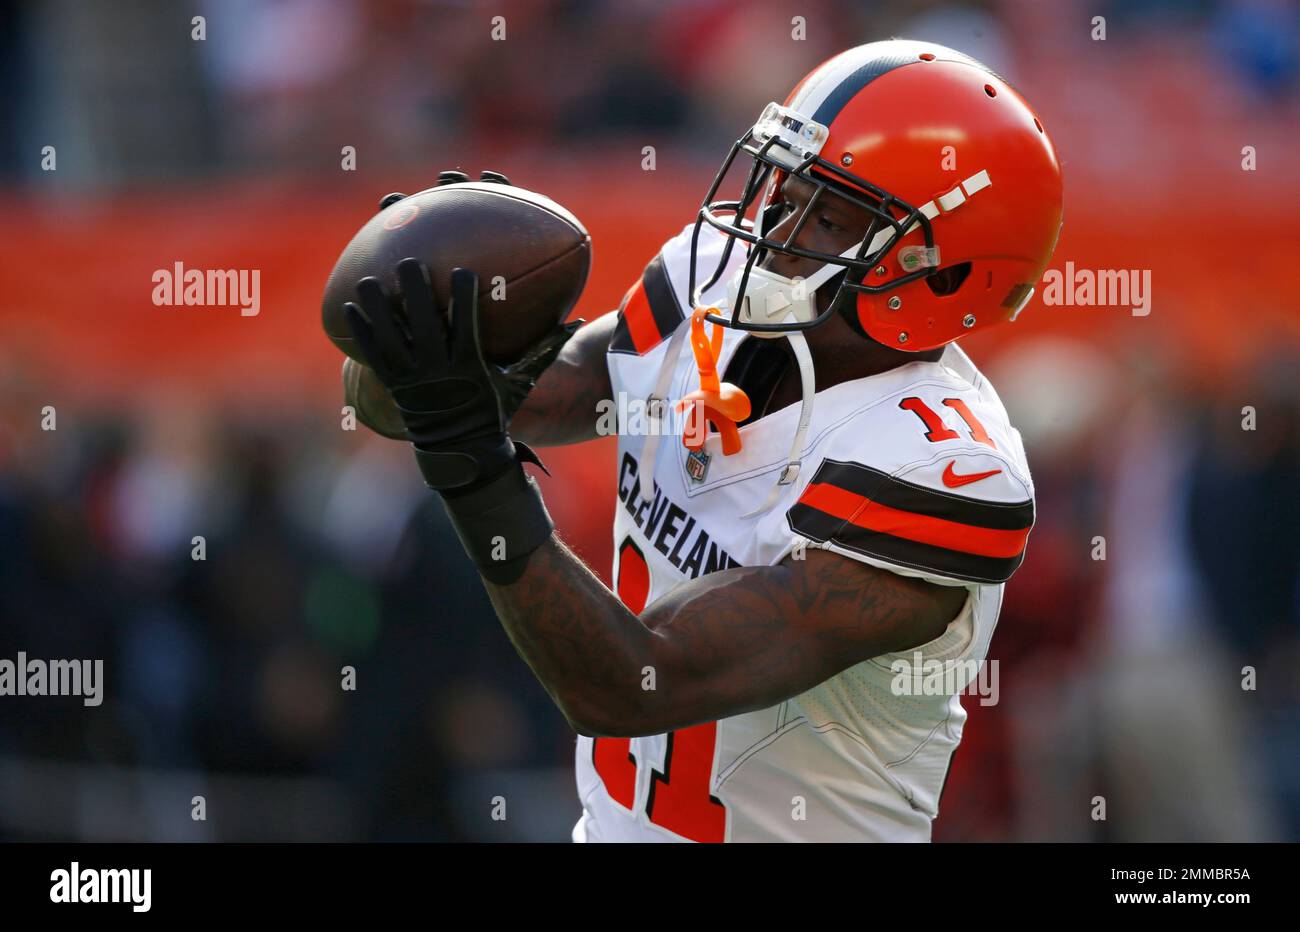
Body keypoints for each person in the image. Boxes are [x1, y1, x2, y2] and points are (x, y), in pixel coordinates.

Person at [342, 39, 1064, 842]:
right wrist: (426, 316)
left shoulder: (937, 465)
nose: (777, 230)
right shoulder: (714, 289)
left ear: (939, 271)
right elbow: (449, 403)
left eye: (827, 215)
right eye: (786, 191)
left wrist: (474, 471)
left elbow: (636, 681)